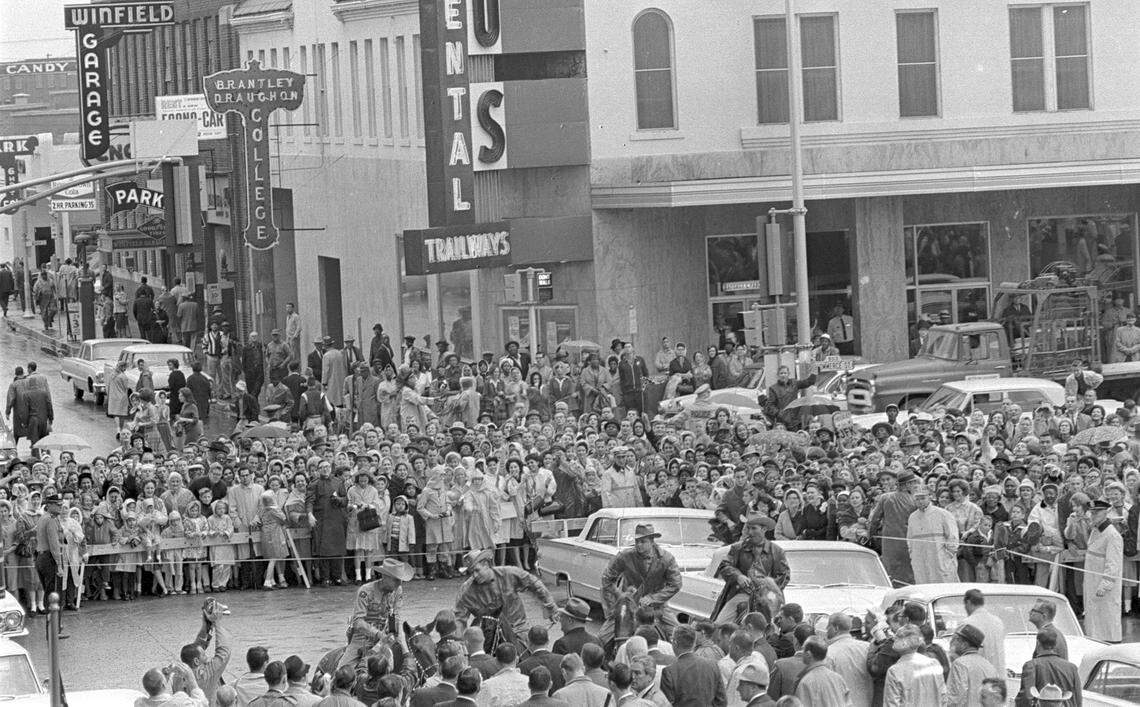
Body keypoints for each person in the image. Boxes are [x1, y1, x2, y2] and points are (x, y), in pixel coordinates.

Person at [454, 549, 557, 652]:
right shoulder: (466, 591)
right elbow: (459, 618)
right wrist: (459, 642)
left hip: (519, 630)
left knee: (526, 661)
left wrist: (551, 608)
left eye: (477, 570)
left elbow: (535, 584)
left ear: (486, 564)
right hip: (489, 638)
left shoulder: (508, 573)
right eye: (472, 573)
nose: (475, 576)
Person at [599, 523, 682, 644]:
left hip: (657, 607)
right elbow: (607, 578)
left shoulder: (667, 559)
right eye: (637, 541)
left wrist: (653, 598)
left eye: (643, 541)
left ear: (652, 541)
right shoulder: (625, 556)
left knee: (679, 637)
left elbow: (676, 584)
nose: (638, 544)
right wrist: (618, 596)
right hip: (628, 606)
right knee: (601, 638)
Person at [337, 557, 414, 673]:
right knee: (341, 672)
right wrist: (379, 634)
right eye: (396, 580)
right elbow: (358, 622)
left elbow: (396, 617)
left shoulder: (398, 590)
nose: (399, 584)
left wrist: (404, 649)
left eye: (400, 580)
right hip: (362, 639)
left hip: (386, 639)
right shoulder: (365, 591)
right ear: (385, 577)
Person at [714, 513, 790, 621]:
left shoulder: (777, 551)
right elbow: (724, 565)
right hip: (740, 594)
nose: (750, 532)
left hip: (767, 598)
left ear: (764, 529)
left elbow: (784, 575)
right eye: (748, 528)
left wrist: (768, 585)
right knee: (720, 624)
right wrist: (738, 576)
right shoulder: (738, 548)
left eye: (754, 528)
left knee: (771, 628)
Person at [868, 470, 919, 585]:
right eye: (912, 483)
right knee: (908, 569)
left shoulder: (885, 497)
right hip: (908, 539)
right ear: (907, 484)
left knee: (890, 569)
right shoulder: (914, 500)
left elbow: (875, 520)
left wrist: (871, 535)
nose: (914, 485)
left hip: (889, 539)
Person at [1084, 498, 1123, 642]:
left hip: (1104, 584)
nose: (1093, 515)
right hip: (1092, 578)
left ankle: (1111, 643)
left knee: (1107, 615)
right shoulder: (1095, 530)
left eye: (1097, 512)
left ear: (1106, 513)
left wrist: (1105, 584)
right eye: (1092, 512)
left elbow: (1113, 563)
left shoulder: (1112, 535)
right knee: (1094, 615)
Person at [180, 600, 232, 706]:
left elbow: (194, 651)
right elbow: (224, 651)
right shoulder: (206, 675)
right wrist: (217, 622)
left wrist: (206, 627)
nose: (207, 657)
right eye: (204, 655)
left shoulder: (178, 675)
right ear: (196, 661)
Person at [660, 625, 727, 707]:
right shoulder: (712, 665)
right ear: (694, 643)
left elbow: (665, 703)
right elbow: (722, 701)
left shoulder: (669, 671)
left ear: (675, 642)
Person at [906, 484, 958, 583]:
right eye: (917, 499)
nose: (920, 501)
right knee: (923, 585)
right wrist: (913, 554)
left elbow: (952, 537)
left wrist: (948, 555)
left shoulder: (943, 514)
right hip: (920, 558)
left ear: (930, 497)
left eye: (923, 498)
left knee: (943, 583)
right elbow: (909, 539)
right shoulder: (912, 517)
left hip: (940, 558)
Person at [1015, 628, 1080, 707]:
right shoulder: (1072, 668)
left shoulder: (1031, 666)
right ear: (1055, 644)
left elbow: (1027, 697)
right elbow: (1077, 698)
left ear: (1038, 643)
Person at [883, 626, 943, 707]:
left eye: (896, 638)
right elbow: (943, 695)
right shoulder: (934, 663)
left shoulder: (894, 671)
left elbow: (891, 704)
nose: (894, 639)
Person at [823, 614, 871, 707]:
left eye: (828, 626)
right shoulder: (867, 647)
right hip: (866, 702)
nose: (826, 628)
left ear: (836, 628)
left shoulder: (829, 653)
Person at [943, 624, 996, 707]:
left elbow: (956, 698)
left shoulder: (960, 664)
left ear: (964, 644)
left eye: (957, 640)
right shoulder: (988, 665)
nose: (954, 643)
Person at [961, 589, 1007, 681]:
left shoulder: (967, 623)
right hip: (999, 675)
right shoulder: (998, 622)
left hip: (978, 677)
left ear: (968, 602)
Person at [793, 636, 848, 707]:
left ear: (808, 654)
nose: (801, 652)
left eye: (803, 649)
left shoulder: (806, 682)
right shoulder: (838, 678)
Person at [135, 663, 207, 707]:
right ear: (163, 685)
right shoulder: (180, 701)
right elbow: (202, 704)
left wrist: (162, 679)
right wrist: (190, 677)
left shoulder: (140, 703)